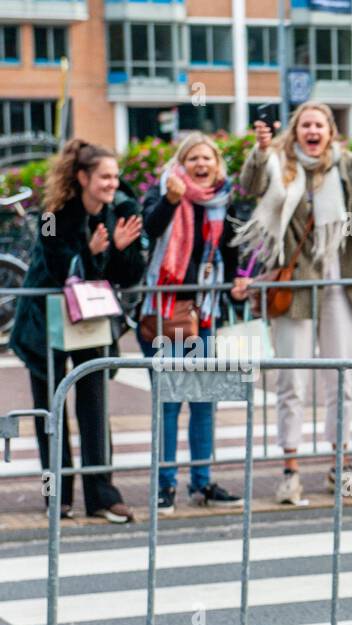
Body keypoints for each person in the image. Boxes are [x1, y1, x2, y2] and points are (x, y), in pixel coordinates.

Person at [234, 81, 352, 503]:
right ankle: (290, 470)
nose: (312, 130)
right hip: (296, 288)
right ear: (296, 130)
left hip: (339, 284)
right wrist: (260, 149)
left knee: (339, 380)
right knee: (291, 381)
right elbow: (248, 185)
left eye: (319, 125)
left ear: (330, 132)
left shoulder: (343, 166)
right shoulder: (277, 164)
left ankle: (340, 468)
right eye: (306, 124)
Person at [11, 139, 145, 522]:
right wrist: (90, 251)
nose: (112, 184)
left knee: (95, 407)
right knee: (49, 414)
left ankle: (102, 494)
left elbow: (129, 275)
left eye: (116, 176)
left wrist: (116, 249)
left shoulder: (118, 211)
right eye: (104, 176)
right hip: (45, 323)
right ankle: (59, 496)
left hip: (90, 321)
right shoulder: (53, 214)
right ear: (83, 177)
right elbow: (56, 268)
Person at [139, 132, 250, 514]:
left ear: (217, 165)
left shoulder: (222, 200)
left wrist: (239, 278)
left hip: (205, 312)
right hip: (168, 311)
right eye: (193, 159)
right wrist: (171, 200)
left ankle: (202, 484)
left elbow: (231, 249)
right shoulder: (164, 193)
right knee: (170, 401)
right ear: (181, 164)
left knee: (205, 401)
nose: (201, 165)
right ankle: (165, 486)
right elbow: (149, 230)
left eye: (208, 159)